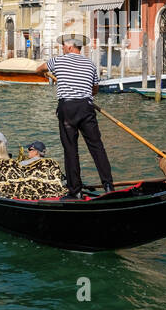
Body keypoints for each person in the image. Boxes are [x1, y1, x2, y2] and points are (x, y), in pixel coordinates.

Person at [36, 37, 113, 198]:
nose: (62, 48)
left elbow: (39, 69)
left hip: (68, 108)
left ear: (71, 47)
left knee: (71, 150)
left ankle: (75, 191)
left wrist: (46, 72)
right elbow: (95, 90)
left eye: (64, 45)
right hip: (86, 107)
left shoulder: (58, 61)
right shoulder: (91, 65)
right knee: (97, 147)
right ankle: (108, 186)